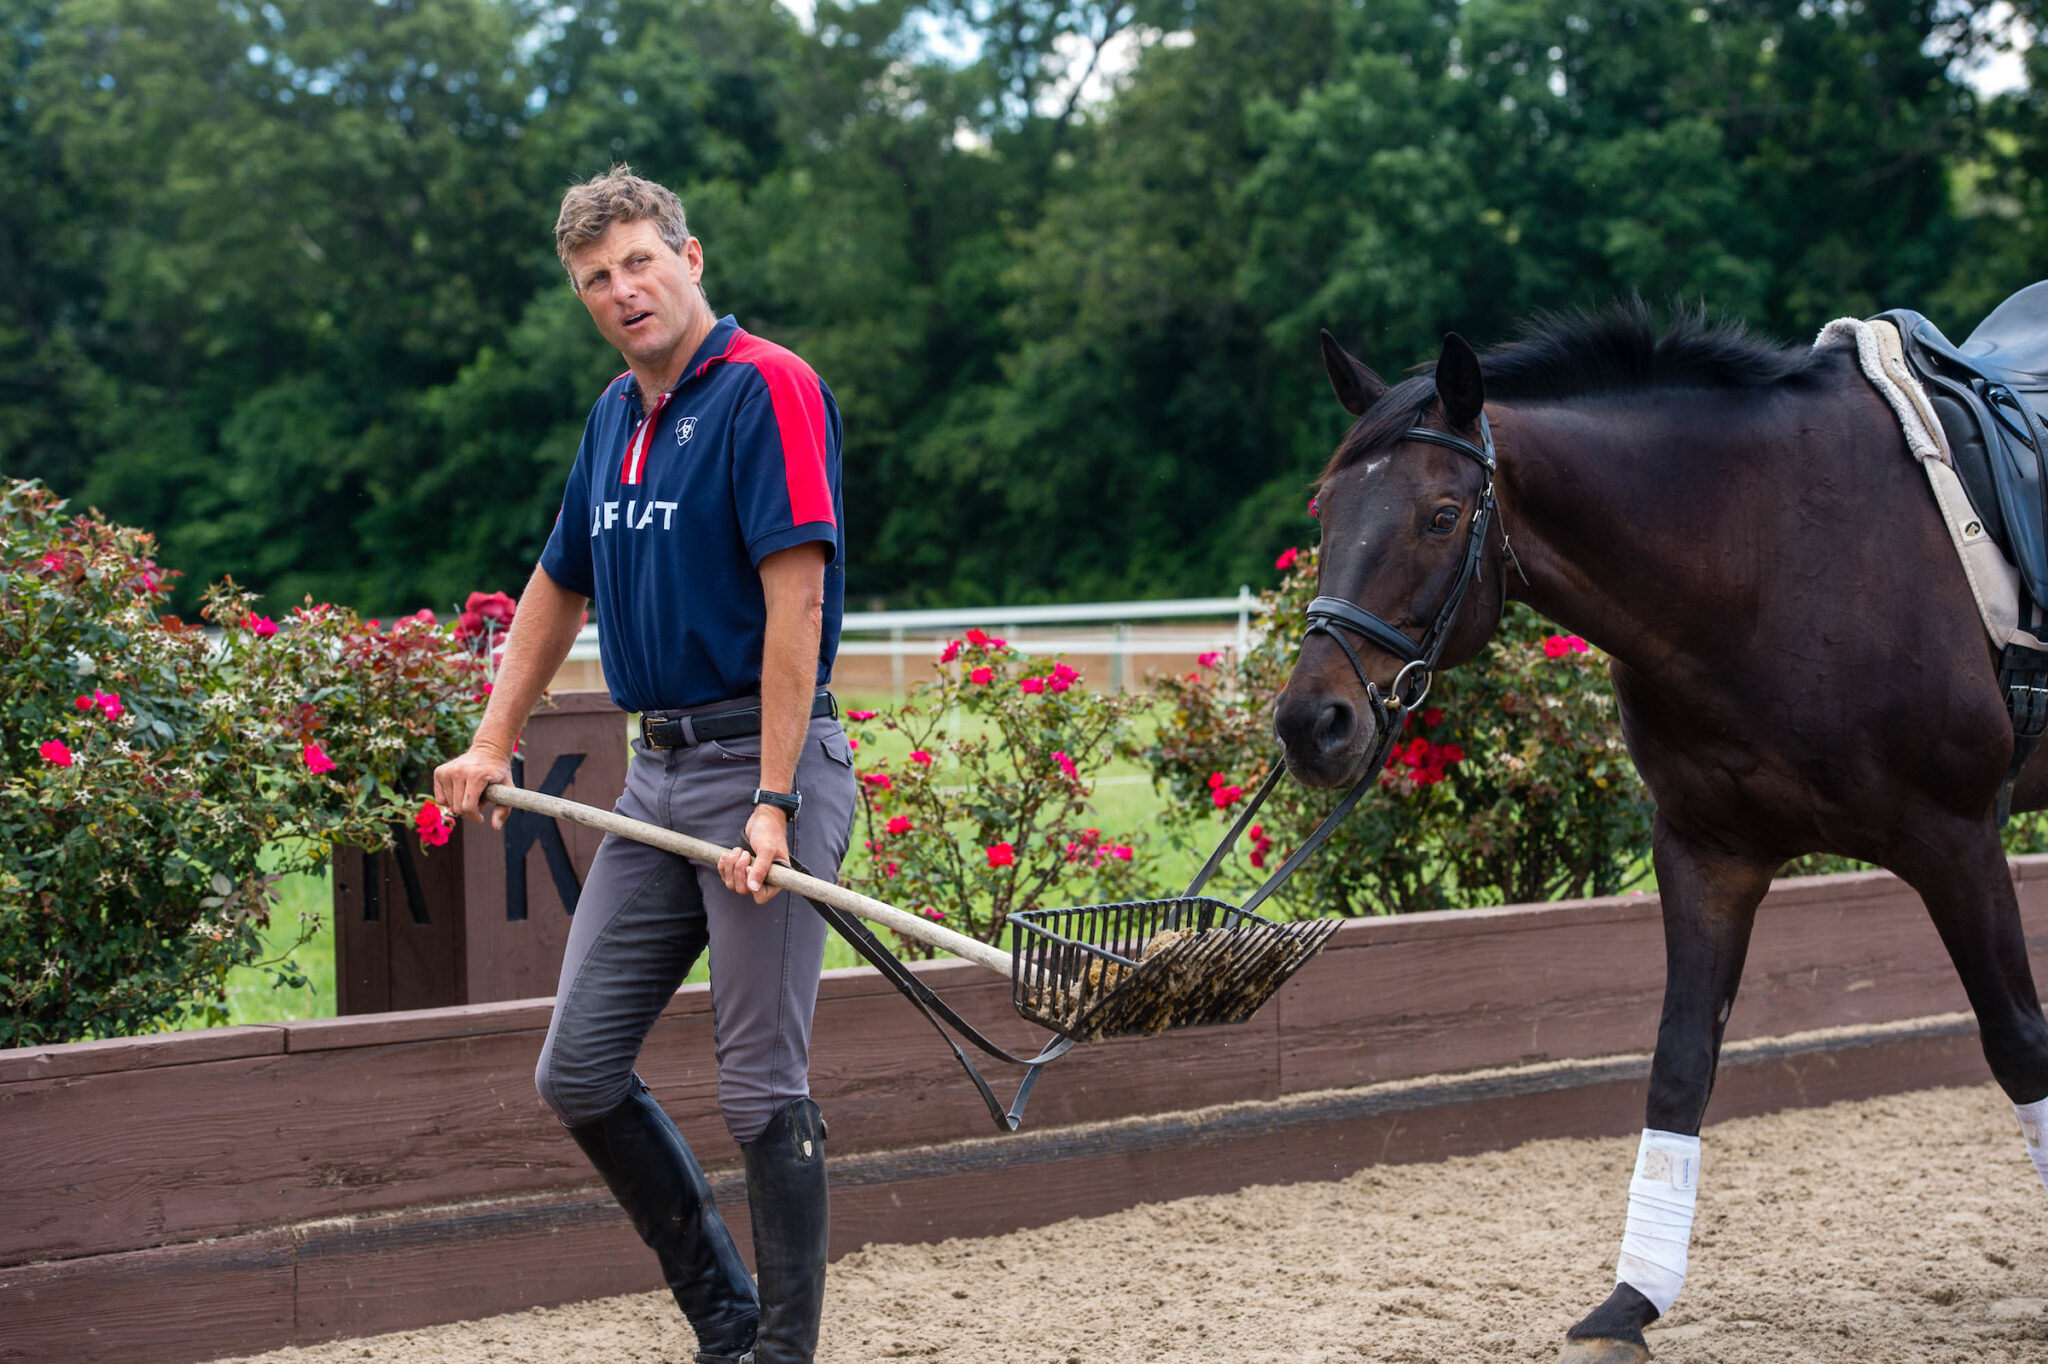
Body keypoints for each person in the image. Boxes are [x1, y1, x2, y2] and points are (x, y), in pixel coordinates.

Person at [433, 165, 856, 1364]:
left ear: (690, 256)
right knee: (575, 1068)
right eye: (595, 280)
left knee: (758, 1085)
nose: (622, 291)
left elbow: (796, 602)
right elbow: (557, 585)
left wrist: (774, 800)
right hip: (656, 778)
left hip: (761, 771)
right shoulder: (614, 416)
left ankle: (779, 1352)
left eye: (638, 262)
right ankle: (726, 1322)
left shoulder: (767, 387)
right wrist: (491, 736)